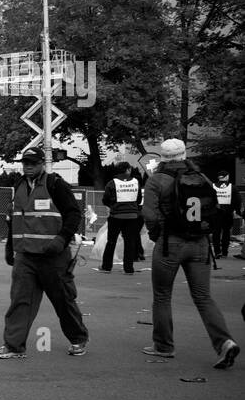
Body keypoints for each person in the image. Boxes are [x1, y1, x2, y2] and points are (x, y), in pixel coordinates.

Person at [140, 139, 239, 368]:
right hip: (200, 243)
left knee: (162, 296)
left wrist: (157, 235)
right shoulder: (201, 178)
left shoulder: (157, 180)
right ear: (184, 155)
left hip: (170, 242)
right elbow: (213, 209)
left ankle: (164, 345)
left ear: (163, 157)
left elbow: (150, 215)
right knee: (203, 297)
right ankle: (224, 341)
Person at [0, 146, 89, 359]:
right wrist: (10, 247)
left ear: (42, 164)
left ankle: (78, 338)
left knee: (63, 300)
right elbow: (15, 220)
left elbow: (73, 214)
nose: (27, 167)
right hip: (25, 257)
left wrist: (61, 239)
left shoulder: (56, 184)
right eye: (25, 163)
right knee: (20, 301)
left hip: (53, 257)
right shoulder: (19, 185)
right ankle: (14, 346)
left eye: (32, 163)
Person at [98, 162, 142, 274]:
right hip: (132, 216)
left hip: (116, 216)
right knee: (130, 242)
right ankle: (129, 268)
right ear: (127, 170)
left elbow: (105, 199)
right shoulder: (136, 182)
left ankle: (107, 267)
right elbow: (138, 199)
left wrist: (112, 206)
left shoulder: (112, 183)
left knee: (111, 241)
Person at [210, 170, 239, 260]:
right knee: (226, 233)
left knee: (216, 233)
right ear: (227, 177)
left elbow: (209, 200)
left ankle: (217, 252)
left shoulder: (213, 186)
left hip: (215, 213)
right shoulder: (233, 187)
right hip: (227, 214)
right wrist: (237, 211)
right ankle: (225, 252)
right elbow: (237, 201)